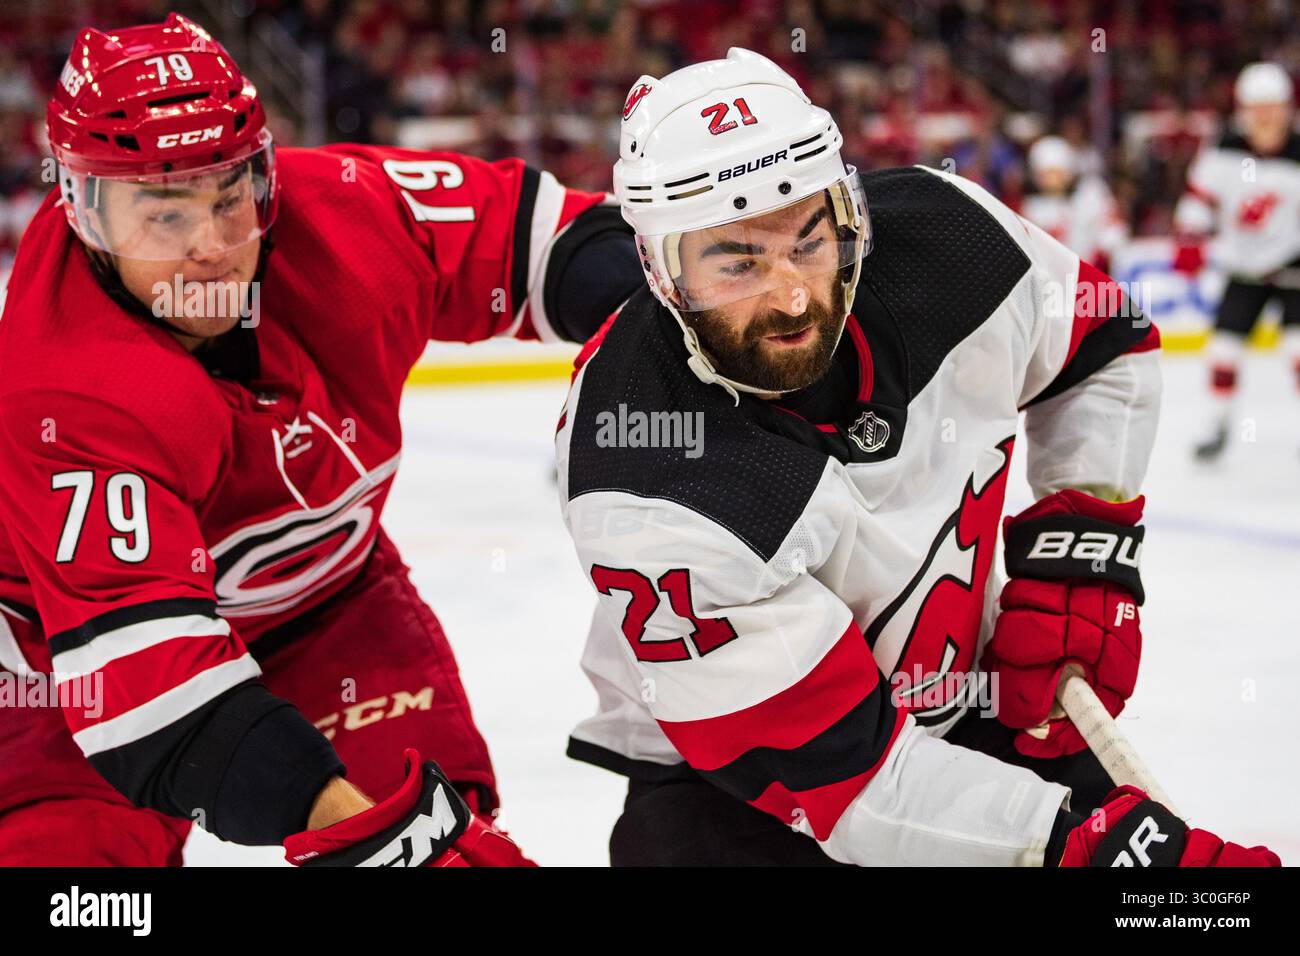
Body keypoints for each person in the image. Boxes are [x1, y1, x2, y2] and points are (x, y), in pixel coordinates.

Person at [555, 48, 1280, 866]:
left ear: (847, 212)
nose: (793, 295)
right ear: (660, 270)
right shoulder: (645, 478)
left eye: (808, 241)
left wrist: (1084, 544)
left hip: (972, 695)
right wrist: (1069, 846)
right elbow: (855, 785)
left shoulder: (951, 239)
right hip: (739, 789)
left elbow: (1101, 343)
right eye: (737, 263)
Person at [0, 13, 641, 866]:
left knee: (460, 836)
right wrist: (383, 843)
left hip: (324, 598)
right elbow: (164, 714)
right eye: (162, 213)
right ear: (84, 213)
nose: (212, 248)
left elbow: (555, 240)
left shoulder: (343, 212)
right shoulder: (68, 387)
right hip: (63, 660)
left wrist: (699, 331)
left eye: (231, 196)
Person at [1175, 62, 1300, 461]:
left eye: (1272, 107)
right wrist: (1190, 238)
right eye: (1257, 108)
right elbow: (1198, 200)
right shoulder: (1222, 153)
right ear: (1242, 111)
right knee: (1223, 351)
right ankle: (1217, 424)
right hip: (1243, 269)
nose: (1265, 117)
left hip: (1292, 266)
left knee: (1298, 350)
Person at [1021, 135, 1127, 273]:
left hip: (1092, 274)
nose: (1052, 179)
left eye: (1057, 172)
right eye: (1047, 173)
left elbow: (1115, 233)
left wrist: (1102, 251)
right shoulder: (1032, 209)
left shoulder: (1091, 193)